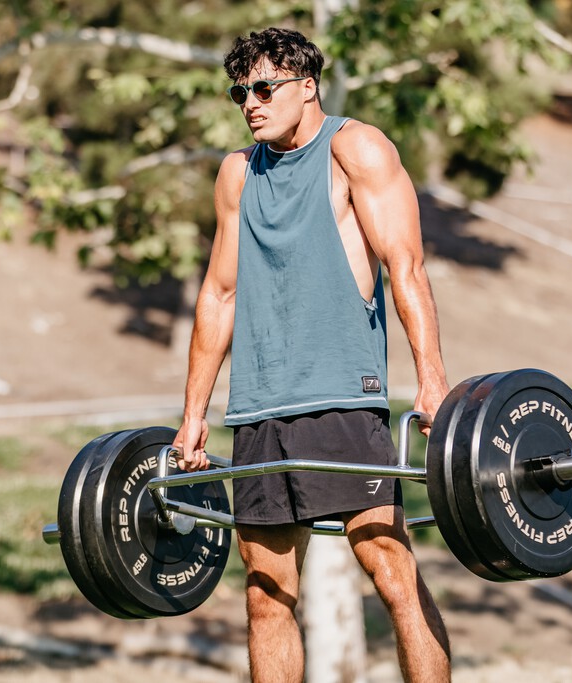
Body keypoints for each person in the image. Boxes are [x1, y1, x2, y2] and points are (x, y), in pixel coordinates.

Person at [171, 27, 452, 682]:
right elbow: (218, 293)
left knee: (389, 567)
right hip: (259, 409)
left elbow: (405, 266)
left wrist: (431, 380)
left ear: (307, 86)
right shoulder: (238, 174)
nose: (251, 102)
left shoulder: (356, 149)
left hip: (342, 397)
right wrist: (193, 414)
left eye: (264, 88)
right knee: (265, 594)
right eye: (241, 91)